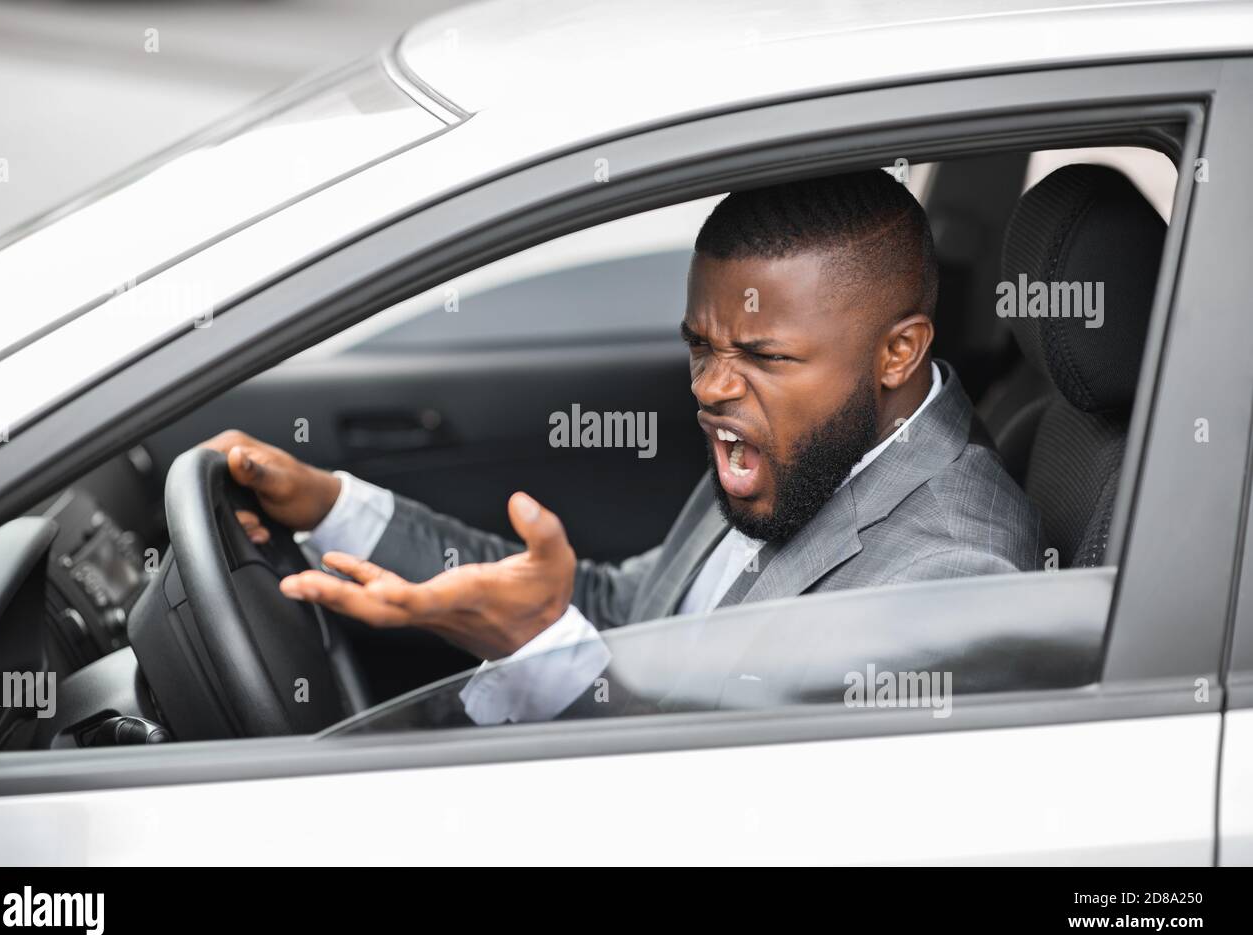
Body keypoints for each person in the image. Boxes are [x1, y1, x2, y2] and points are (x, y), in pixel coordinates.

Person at [204, 169, 1041, 724]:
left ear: (898, 352)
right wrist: (335, 508)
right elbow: (633, 613)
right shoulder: (796, 449)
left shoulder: (950, 579)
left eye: (763, 356)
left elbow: (743, 820)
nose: (711, 387)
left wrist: (538, 650)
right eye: (701, 347)